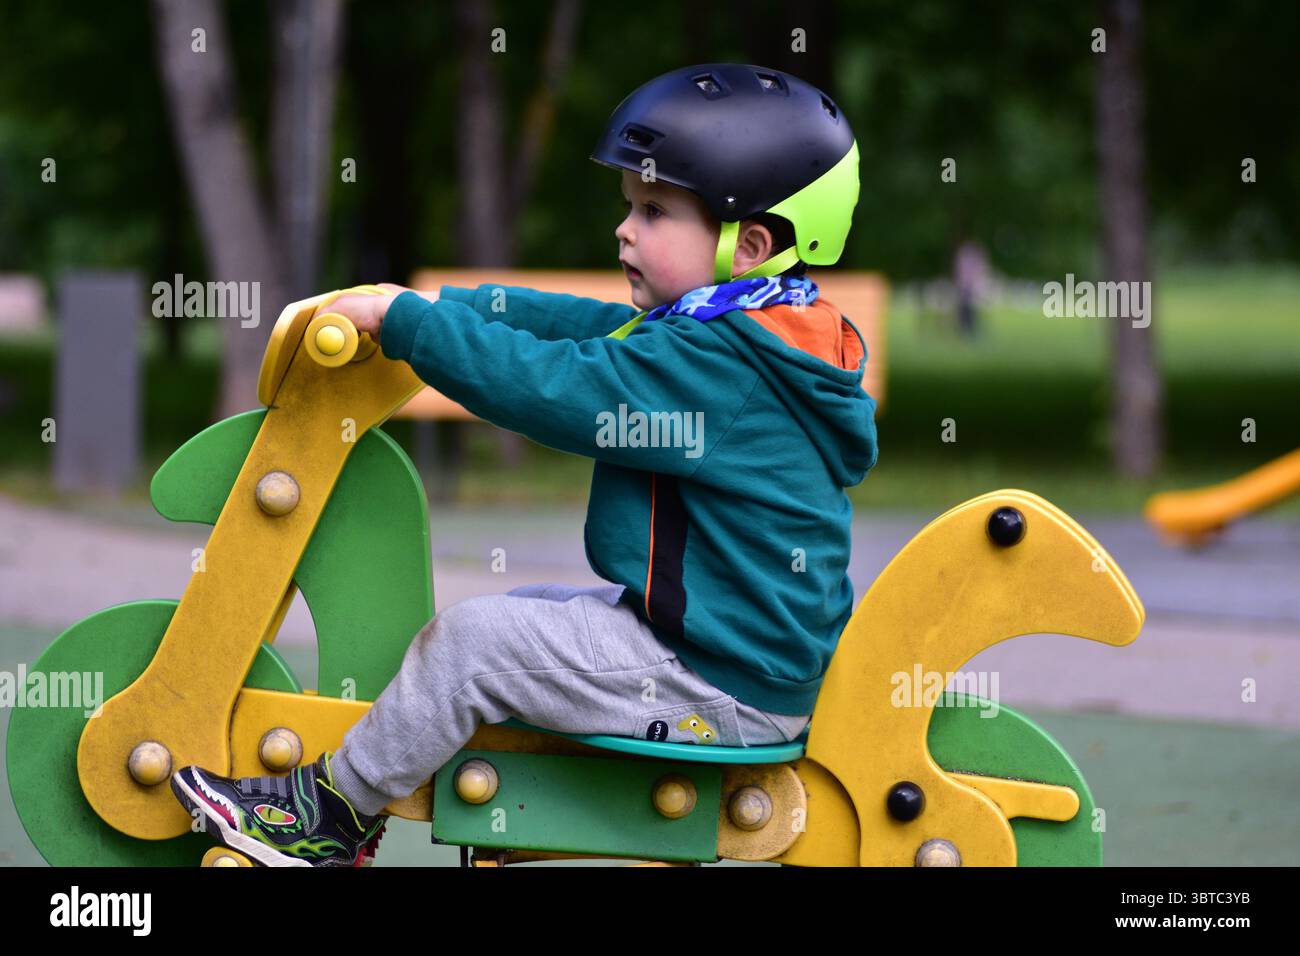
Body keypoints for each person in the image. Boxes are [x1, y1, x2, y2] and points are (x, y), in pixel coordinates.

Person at [171, 62, 878, 867]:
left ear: (749, 242)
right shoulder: (755, 331)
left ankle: (327, 818)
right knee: (533, 610)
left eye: (654, 211)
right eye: (629, 209)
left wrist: (411, 328)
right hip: (730, 662)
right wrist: (447, 308)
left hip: (716, 689)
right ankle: (461, 803)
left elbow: (561, 388)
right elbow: (585, 327)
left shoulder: (718, 368)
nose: (626, 230)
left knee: (479, 641)